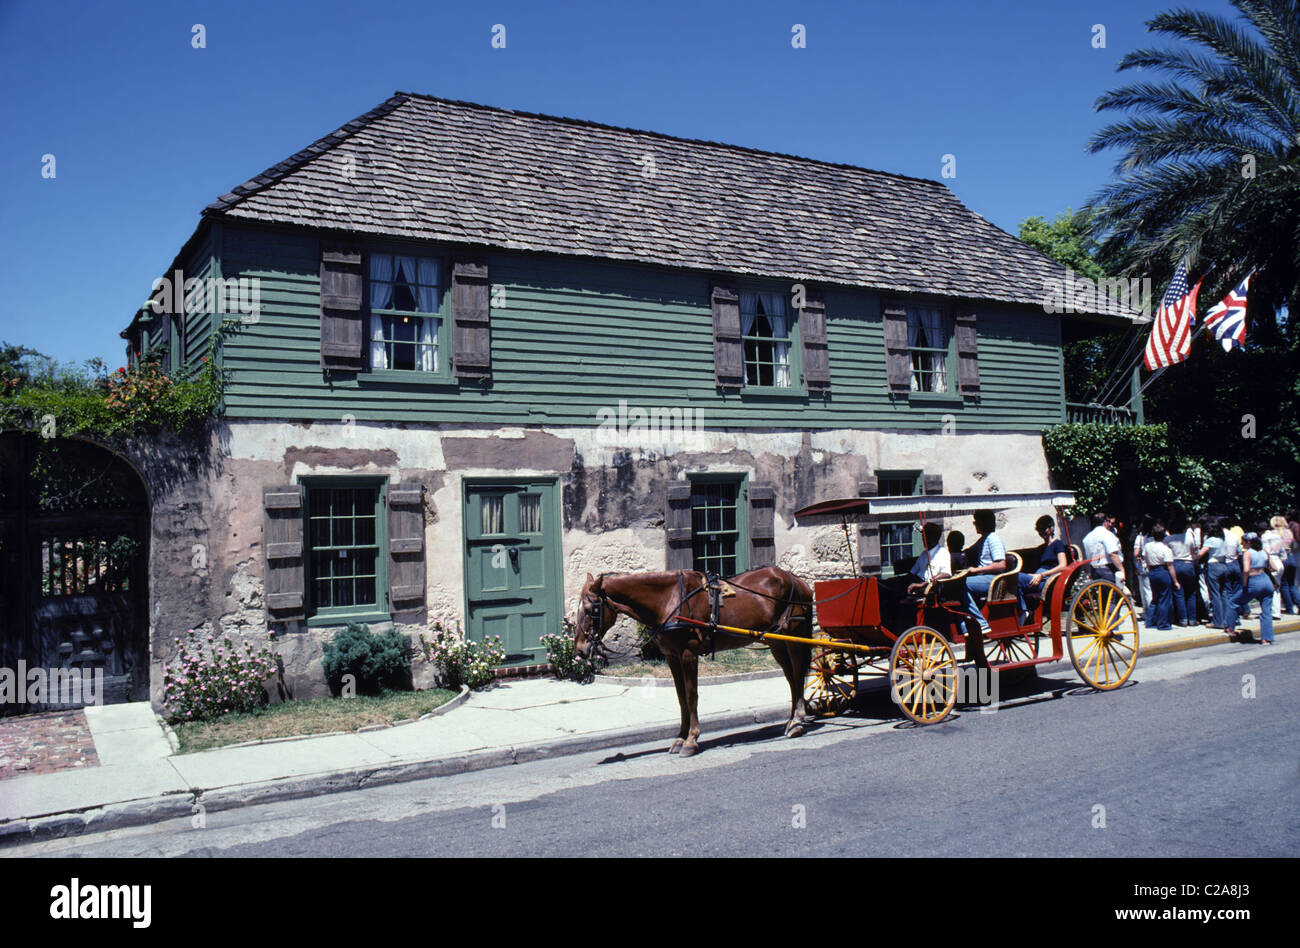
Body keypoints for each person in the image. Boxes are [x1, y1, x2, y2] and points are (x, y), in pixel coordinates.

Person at [1199, 516, 1241, 633]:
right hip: (1223, 565)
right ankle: (1228, 619)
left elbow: (1201, 554)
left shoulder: (1210, 540)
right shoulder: (1222, 539)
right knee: (1224, 593)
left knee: (1215, 594)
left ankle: (1217, 621)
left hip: (1213, 566)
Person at [1231, 534, 1276, 644]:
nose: (1242, 544)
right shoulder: (1264, 552)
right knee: (1266, 611)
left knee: (1233, 602)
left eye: (1244, 542)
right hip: (1266, 580)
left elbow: (1246, 570)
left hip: (1254, 580)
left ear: (1249, 542)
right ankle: (1266, 638)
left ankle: (1230, 628)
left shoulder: (1248, 553)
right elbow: (1274, 567)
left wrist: (1245, 584)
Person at [1020, 514, 1069, 611]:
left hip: (1047, 581)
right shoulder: (1042, 547)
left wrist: (1042, 575)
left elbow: (1063, 566)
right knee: (1013, 580)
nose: (1041, 532)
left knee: (1016, 578)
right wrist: (1034, 575)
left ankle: (1023, 612)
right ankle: (1022, 611)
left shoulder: (1057, 544)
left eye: (1043, 529)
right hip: (1037, 577)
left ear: (1051, 529)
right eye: (1039, 530)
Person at [1166, 513, 1198, 627]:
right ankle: (1192, 619)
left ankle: (1183, 619)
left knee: (1178, 593)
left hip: (1175, 564)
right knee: (1191, 593)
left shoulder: (1168, 539)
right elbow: (1193, 552)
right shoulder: (1189, 537)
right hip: (1188, 563)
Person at [1142, 523, 1175, 631]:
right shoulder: (1166, 549)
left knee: (1155, 598)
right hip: (1162, 571)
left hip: (1152, 571)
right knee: (1164, 599)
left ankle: (1150, 621)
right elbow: (1170, 566)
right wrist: (1175, 580)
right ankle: (1163, 623)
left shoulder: (1148, 546)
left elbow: (1146, 558)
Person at [1082, 512, 1125, 585]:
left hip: (1094, 570)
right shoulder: (1106, 534)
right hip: (1107, 570)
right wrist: (1122, 569)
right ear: (1105, 522)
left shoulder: (1087, 537)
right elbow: (1112, 554)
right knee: (1112, 594)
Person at [1262, 518, 1289, 619]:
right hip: (1279, 562)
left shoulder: (1265, 537)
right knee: (1277, 587)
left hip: (1271, 562)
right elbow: (1283, 553)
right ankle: (1276, 611)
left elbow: (1266, 551)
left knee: (1270, 588)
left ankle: (1272, 611)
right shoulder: (1278, 537)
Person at [1132, 514, 1155, 620]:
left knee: (1145, 590)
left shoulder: (1140, 538)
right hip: (1155, 565)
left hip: (1144, 566)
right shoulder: (1155, 536)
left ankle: (1148, 611)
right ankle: (1153, 611)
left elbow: (1136, 553)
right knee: (1152, 589)